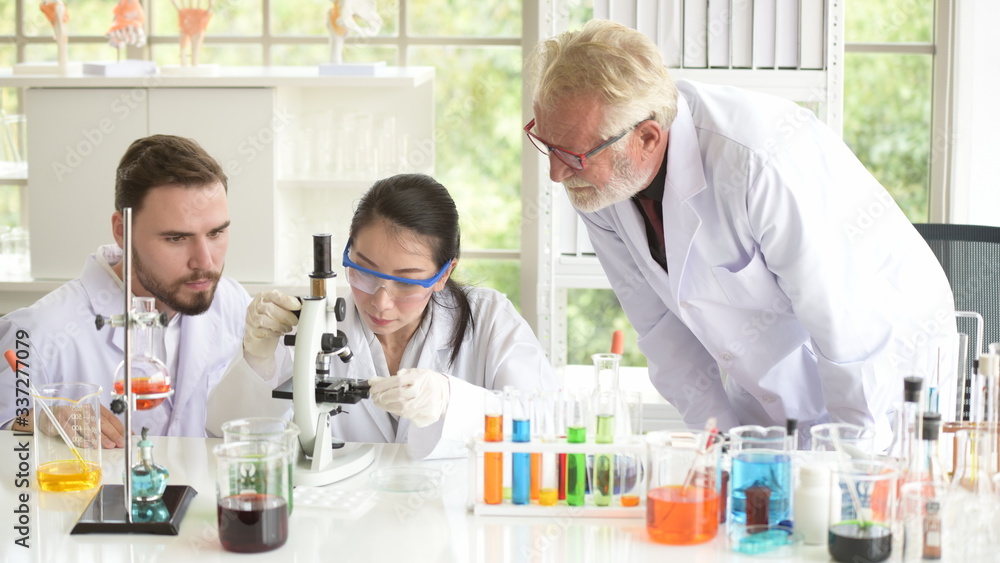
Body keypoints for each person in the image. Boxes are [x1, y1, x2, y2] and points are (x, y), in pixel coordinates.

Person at [523, 19, 955, 450]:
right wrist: (720, 450)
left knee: (862, 505)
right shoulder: (598, 180)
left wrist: (850, 465)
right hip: (770, 387)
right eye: (545, 145)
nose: (555, 173)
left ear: (648, 138)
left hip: (885, 369)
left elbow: (844, 328)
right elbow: (660, 330)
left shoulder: (758, 161)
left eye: (570, 155)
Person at [227, 173, 556, 459]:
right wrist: (258, 359)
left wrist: (450, 402)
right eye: (364, 272)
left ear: (444, 273)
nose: (381, 302)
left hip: (453, 518)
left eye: (407, 280)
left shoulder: (489, 319)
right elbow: (230, 435)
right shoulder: (317, 322)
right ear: (347, 253)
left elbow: (545, 423)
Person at [0, 134, 283, 446]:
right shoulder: (38, 332)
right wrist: (36, 422)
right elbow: (7, 425)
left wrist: (261, 362)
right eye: (176, 238)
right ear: (123, 232)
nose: (204, 261)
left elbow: (262, 430)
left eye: (216, 232)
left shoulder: (232, 303)